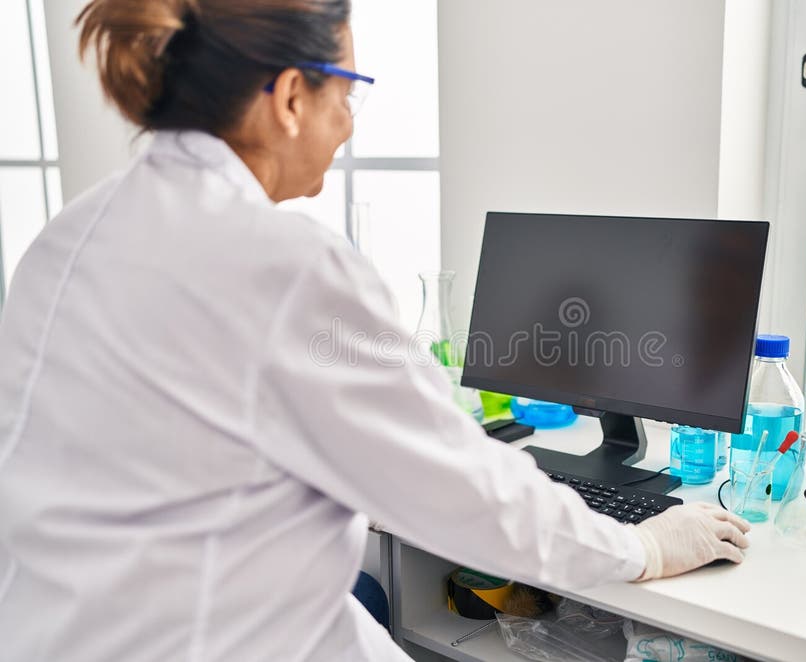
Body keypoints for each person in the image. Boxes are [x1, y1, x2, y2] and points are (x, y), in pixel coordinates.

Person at [0, 1, 750, 660]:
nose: (350, 122)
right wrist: (647, 545)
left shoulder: (68, 237)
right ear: (292, 96)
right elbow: (473, 493)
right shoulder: (283, 266)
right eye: (350, 90)